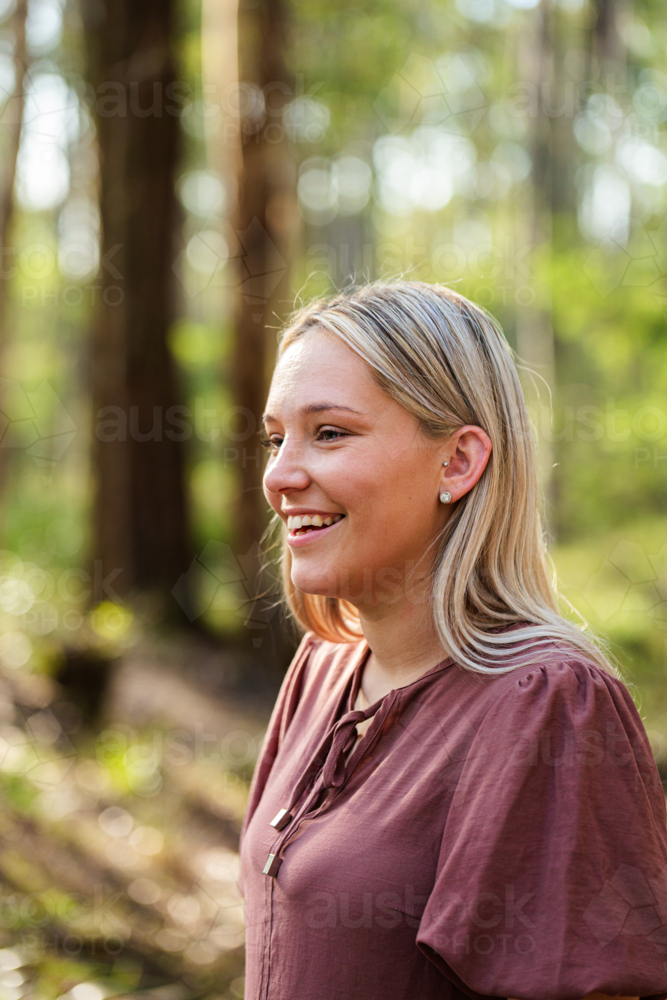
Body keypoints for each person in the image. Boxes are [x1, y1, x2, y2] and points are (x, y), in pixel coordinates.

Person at [238, 280, 667, 1000]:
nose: (279, 476)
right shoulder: (323, 669)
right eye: (276, 439)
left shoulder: (547, 706)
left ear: (459, 462)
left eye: (330, 433)